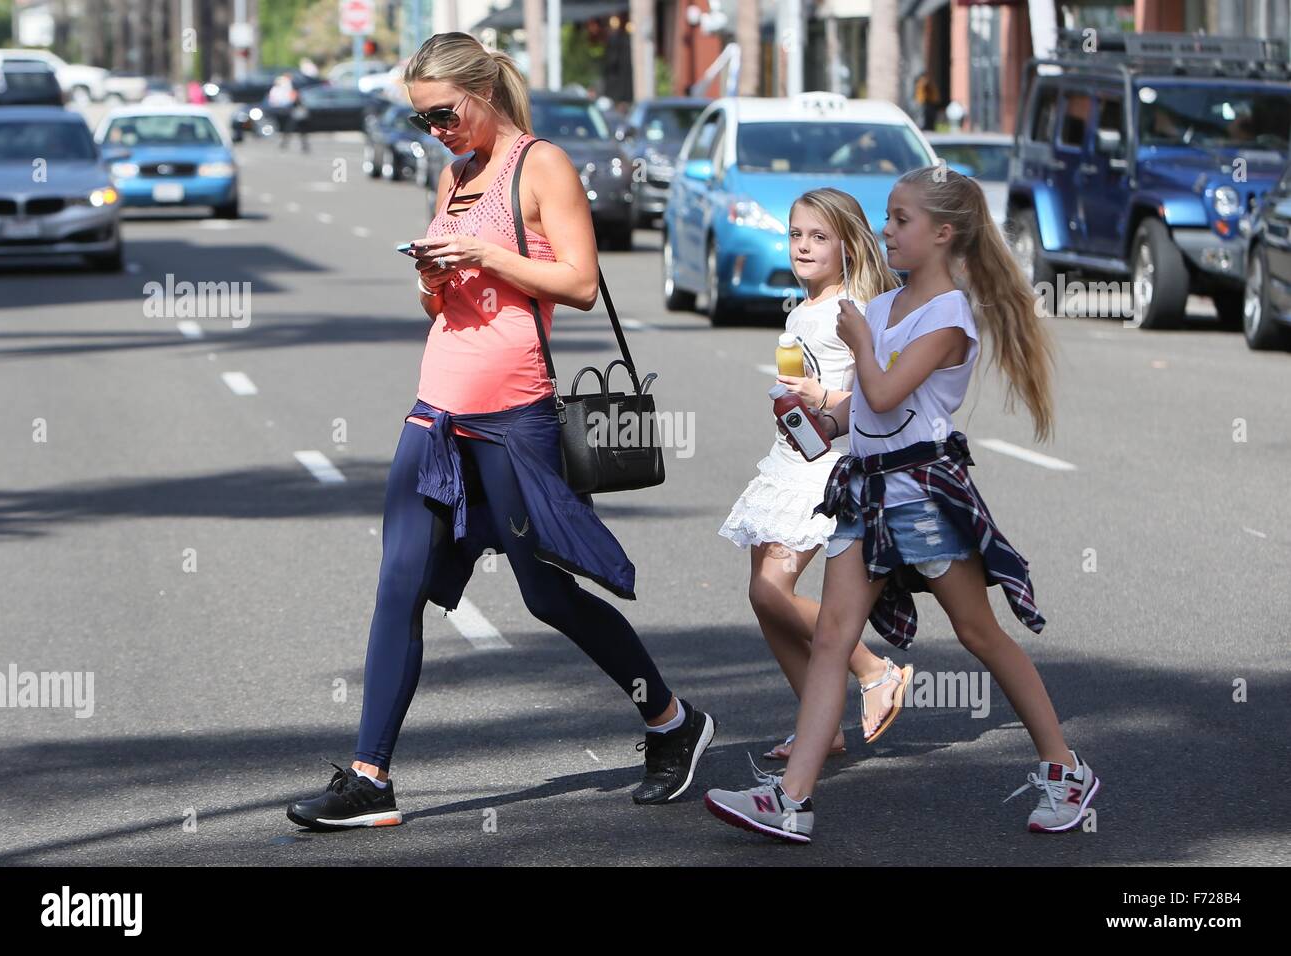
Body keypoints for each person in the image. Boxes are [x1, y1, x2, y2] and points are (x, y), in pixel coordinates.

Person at [286, 33, 715, 831]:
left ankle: (672, 721)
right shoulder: (454, 175)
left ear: (482, 93)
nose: (437, 131)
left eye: (444, 113)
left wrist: (483, 250)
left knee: (547, 594)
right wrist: (434, 276)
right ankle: (370, 778)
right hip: (435, 408)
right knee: (397, 587)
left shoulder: (540, 164)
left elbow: (581, 284)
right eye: (421, 120)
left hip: (514, 416)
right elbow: (437, 304)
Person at [704, 165, 1099, 843]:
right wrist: (821, 423)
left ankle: (1064, 768)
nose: (886, 230)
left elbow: (888, 394)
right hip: (863, 489)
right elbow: (866, 408)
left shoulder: (949, 318)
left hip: (925, 494)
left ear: (943, 233)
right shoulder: (883, 307)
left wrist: (860, 350)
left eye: (901, 219)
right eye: (886, 217)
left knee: (978, 633)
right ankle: (791, 799)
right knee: (831, 637)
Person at [718, 187, 907, 760]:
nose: (803, 245)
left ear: (847, 246)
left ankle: (875, 670)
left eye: (819, 237)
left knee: (773, 588)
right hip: (787, 458)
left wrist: (821, 398)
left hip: (822, 468)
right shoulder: (802, 309)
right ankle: (820, 726)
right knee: (762, 595)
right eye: (796, 234)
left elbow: (881, 393)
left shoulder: (854, 309)